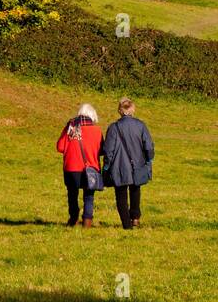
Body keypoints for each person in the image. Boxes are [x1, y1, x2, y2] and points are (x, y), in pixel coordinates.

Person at [102, 97, 154, 230]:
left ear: (120, 110)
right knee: (135, 190)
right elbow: (148, 146)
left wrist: (106, 166)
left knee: (121, 195)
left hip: (119, 167)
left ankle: (126, 224)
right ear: (132, 109)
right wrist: (149, 160)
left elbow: (108, 150)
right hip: (137, 165)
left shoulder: (114, 127)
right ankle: (135, 218)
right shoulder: (141, 125)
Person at [56, 103, 104, 228]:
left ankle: (73, 218)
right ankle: (87, 221)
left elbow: (60, 147)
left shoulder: (71, 127)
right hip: (91, 167)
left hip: (71, 167)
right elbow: (102, 150)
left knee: (72, 194)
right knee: (89, 195)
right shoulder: (97, 130)